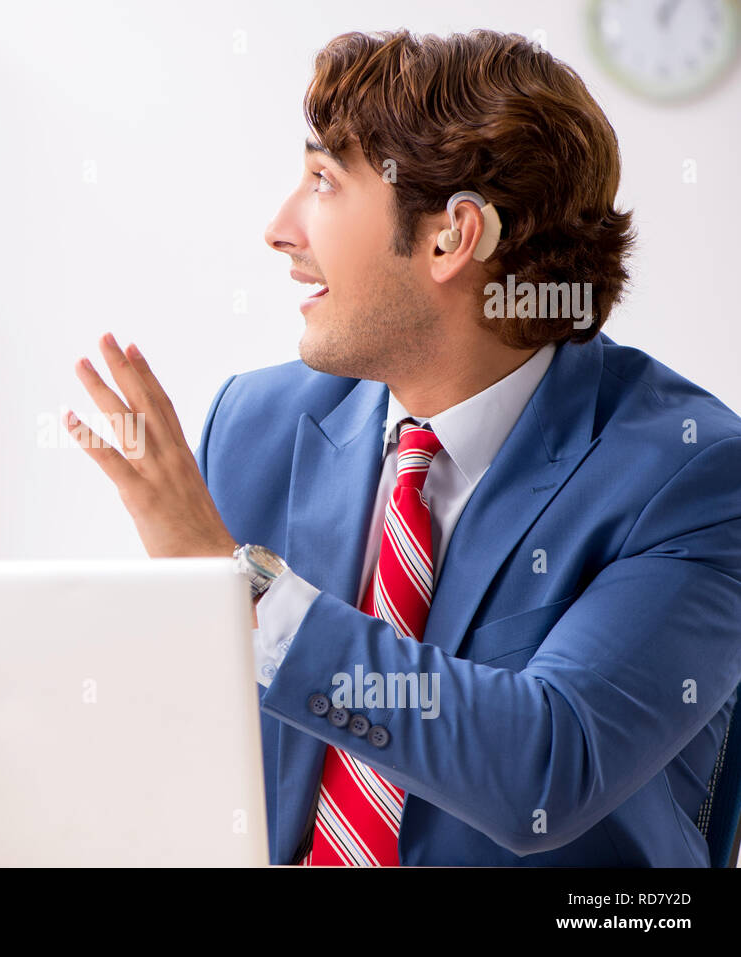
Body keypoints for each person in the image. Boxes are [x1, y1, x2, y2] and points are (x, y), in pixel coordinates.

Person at [66, 29, 741, 866]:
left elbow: (547, 763)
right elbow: (188, 745)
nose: (279, 229)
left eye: (323, 181)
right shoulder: (256, 422)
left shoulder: (693, 473)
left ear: (452, 237)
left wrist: (242, 593)